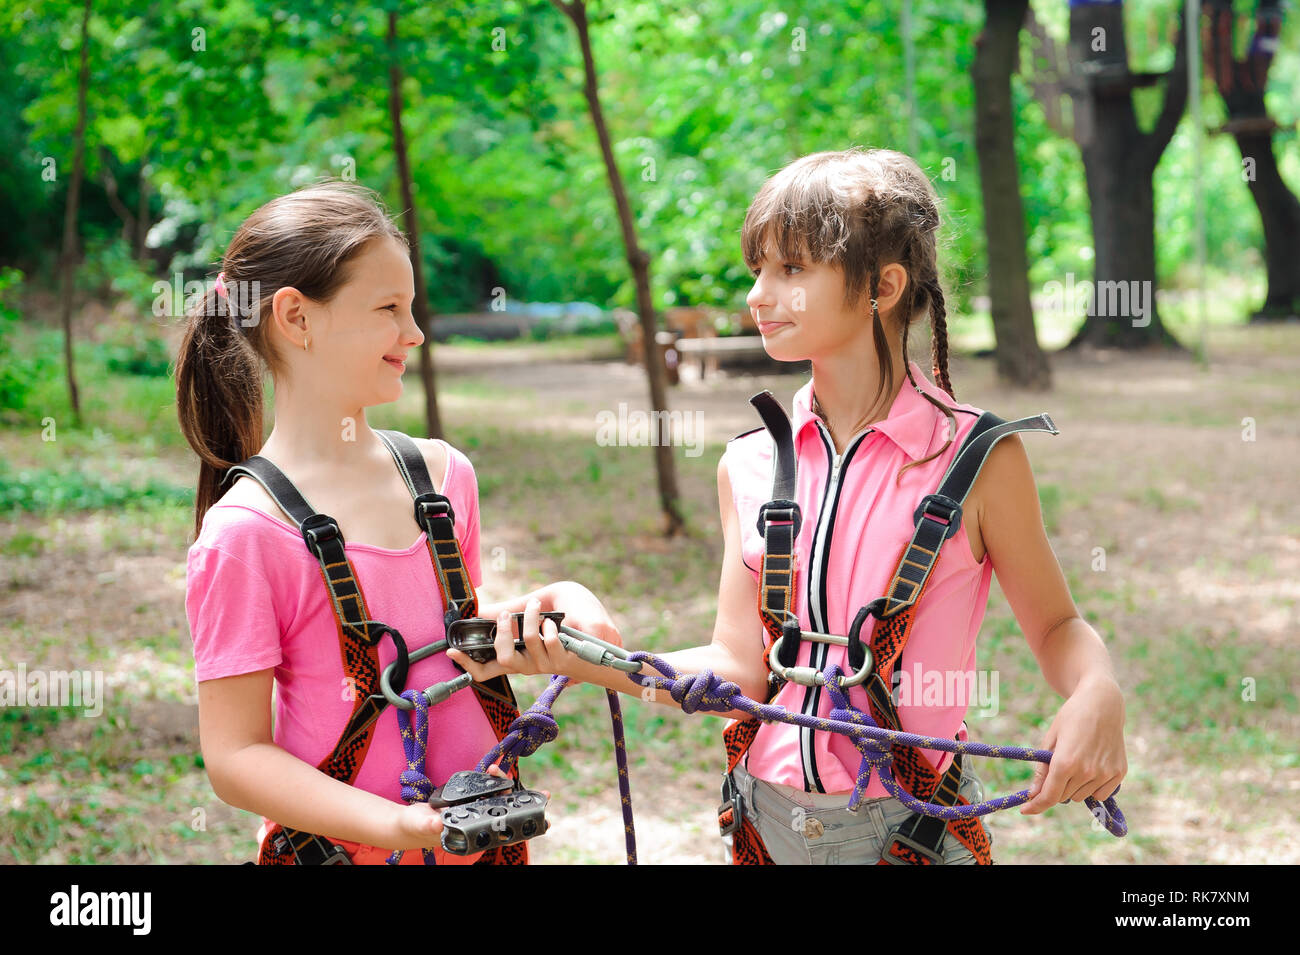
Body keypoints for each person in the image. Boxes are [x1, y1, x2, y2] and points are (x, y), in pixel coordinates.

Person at [450, 148, 1128, 865]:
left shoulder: (978, 458)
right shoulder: (749, 462)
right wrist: (585, 660)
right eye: (758, 270)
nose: (759, 295)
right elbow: (738, 667)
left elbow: (1057, 626)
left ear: (884, 285)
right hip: (763, 826)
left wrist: (1097, 687)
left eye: (793, 270)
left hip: (910, 833)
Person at [176, 180, 619, 865]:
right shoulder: (244, 534)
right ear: (297, 318)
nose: (414, 332)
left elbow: (445, 643)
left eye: (411, 308)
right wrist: (399, 826)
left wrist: (558, 604)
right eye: (388, 308)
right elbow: (235, 756)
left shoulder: (443, 480)